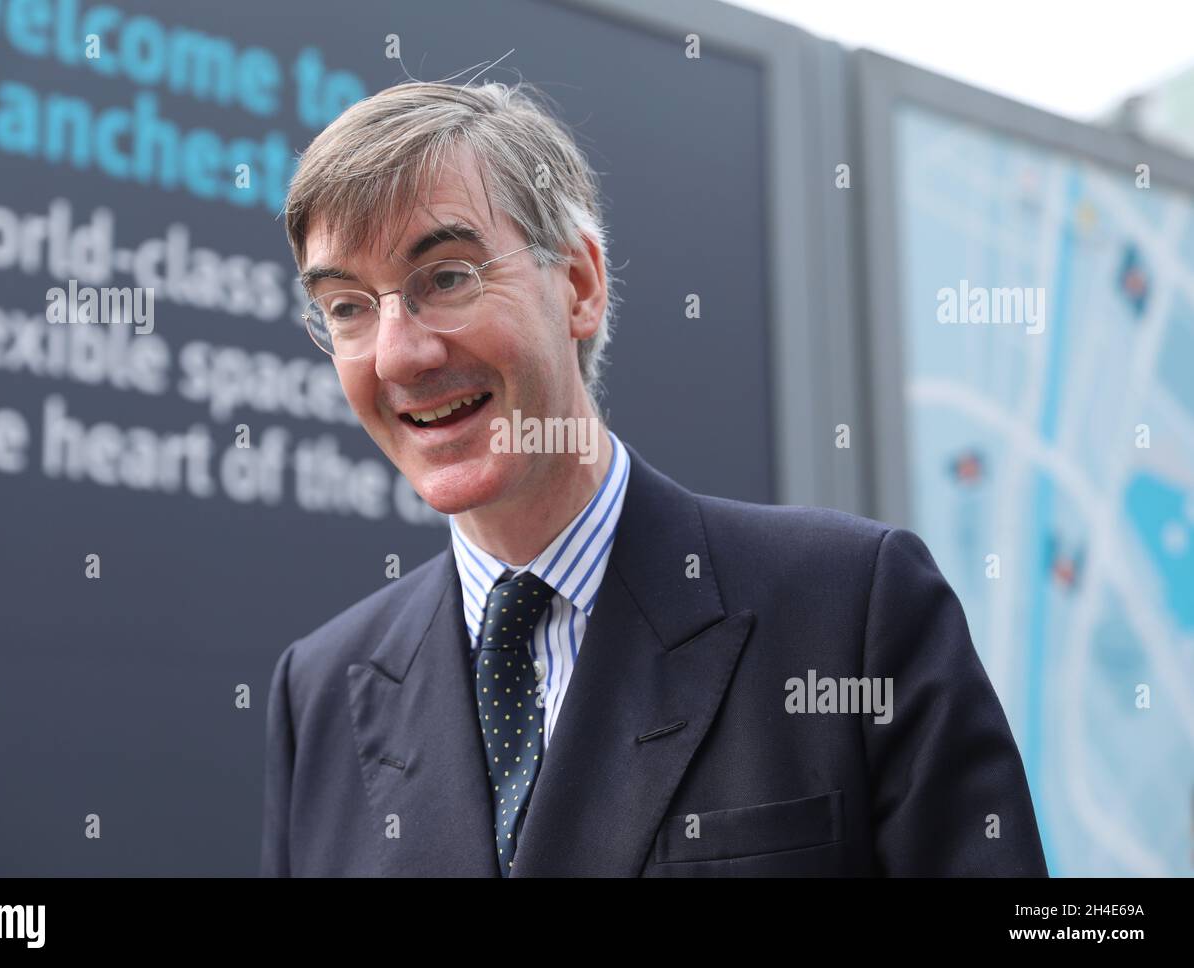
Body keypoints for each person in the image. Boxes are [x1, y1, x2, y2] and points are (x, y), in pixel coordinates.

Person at [260, 79, 1048, 877]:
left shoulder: (850, 610)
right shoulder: (317, 693)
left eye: (448, 277)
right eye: (349, 307)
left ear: (579, 286)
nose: (398, 354)